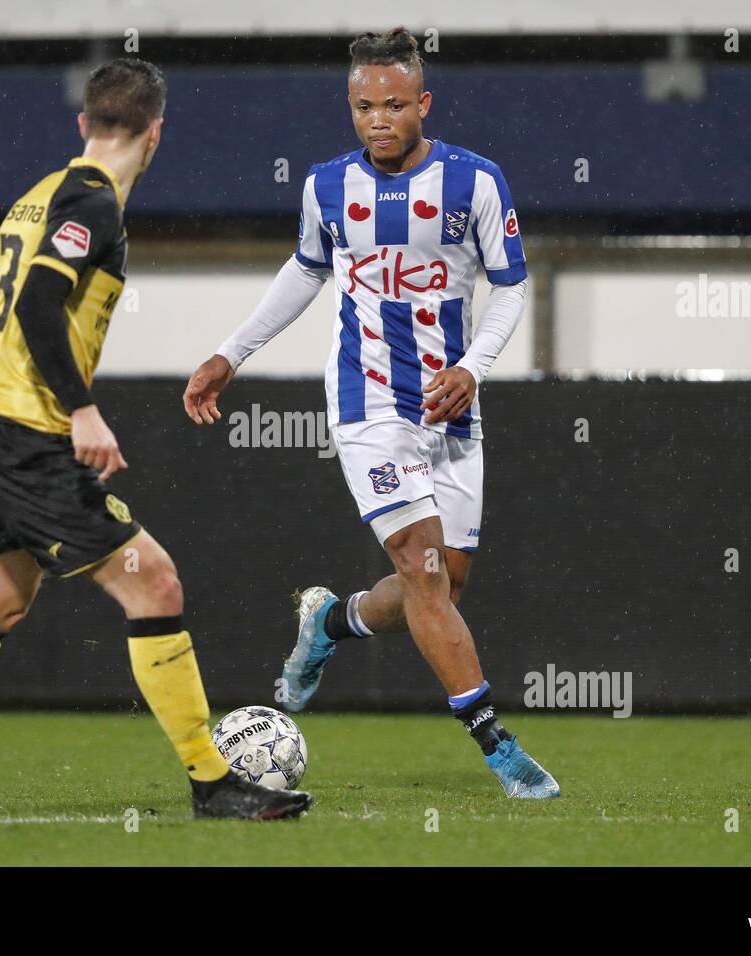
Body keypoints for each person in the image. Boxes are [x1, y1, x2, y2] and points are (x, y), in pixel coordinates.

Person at [0, 58, 312, 821]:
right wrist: (80, 411)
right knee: (153, 582)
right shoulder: (95, 206)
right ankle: (212, 782)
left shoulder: (35, 198)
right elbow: (37, 304)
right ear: (157, 133)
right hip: (28, 433)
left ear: (83, 123)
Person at [183, 29, 559, 798]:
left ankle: (331, 620)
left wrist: (470, 367)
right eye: (363, 107)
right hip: (368, 404)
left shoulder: (475, 182)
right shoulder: (328, 187)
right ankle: (498, 746)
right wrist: (231, 353)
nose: (378, 120)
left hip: (450, 405)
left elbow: (512, 285)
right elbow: (304, 271)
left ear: (423, 103)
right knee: (423, 571)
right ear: (349, 108)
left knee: (445, 585)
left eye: (393, 105)